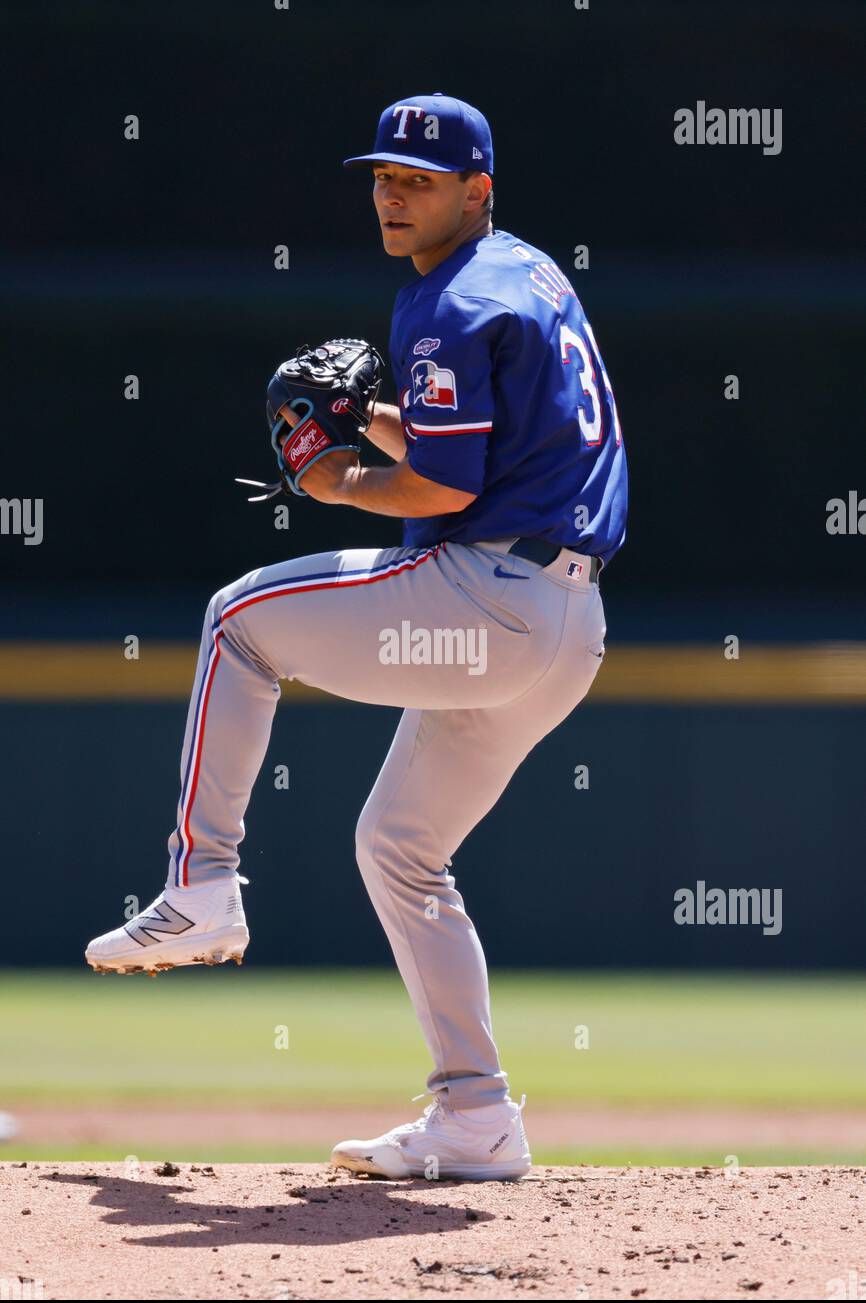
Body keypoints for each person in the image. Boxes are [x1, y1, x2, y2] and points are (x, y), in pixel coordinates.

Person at [86, 93, 627, 1182]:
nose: (391, 194)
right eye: (382, 175)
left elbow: (438, 482)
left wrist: (330, 473)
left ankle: (202, 880)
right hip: (566, 627)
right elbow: (481, 450)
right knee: (399, 851)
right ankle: (474, 1113)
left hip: (487, 601)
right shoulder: (524, 273)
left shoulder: (443, 306)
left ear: (477, 190)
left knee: (237, 621)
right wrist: (373, 420)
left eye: (417, 180)